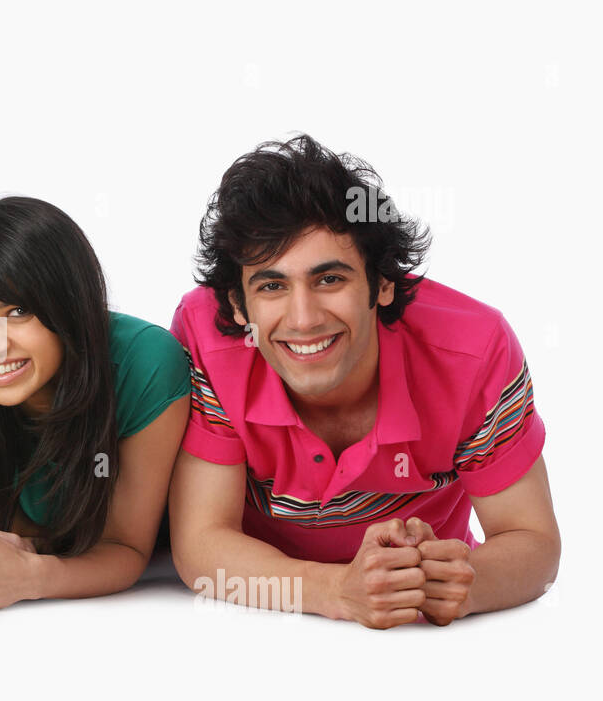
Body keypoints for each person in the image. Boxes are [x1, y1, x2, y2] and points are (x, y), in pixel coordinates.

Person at [168, 135, 560, 627]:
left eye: (329, 279)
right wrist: (336, 590)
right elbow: (200, 545)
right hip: (252, 630)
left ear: (383, 282)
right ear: (237, 305)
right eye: (272, 286)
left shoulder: (474, 352)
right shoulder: (208, 340)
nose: (304, 319)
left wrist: (463, 582)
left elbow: (535, 544)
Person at [0, 196, 191, 612]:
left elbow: (124, 547)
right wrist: (19, 566)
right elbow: (23, 544)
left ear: (72, 305)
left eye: (18, 311)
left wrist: (31, 578)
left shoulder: (145, 364)